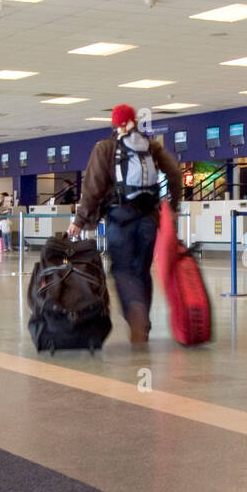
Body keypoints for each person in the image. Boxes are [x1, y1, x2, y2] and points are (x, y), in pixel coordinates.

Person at [69, 104, 183, 344]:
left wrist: (80, 221)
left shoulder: (105, 148)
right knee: (142, 271)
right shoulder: (151, 147)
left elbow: (93, 187)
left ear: (114, 124)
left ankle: (136, 316)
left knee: (122, 270)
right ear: (135, 122)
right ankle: (145, 322)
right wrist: (172, 207)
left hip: (120, 219)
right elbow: (174, 174)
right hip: (149, 220)